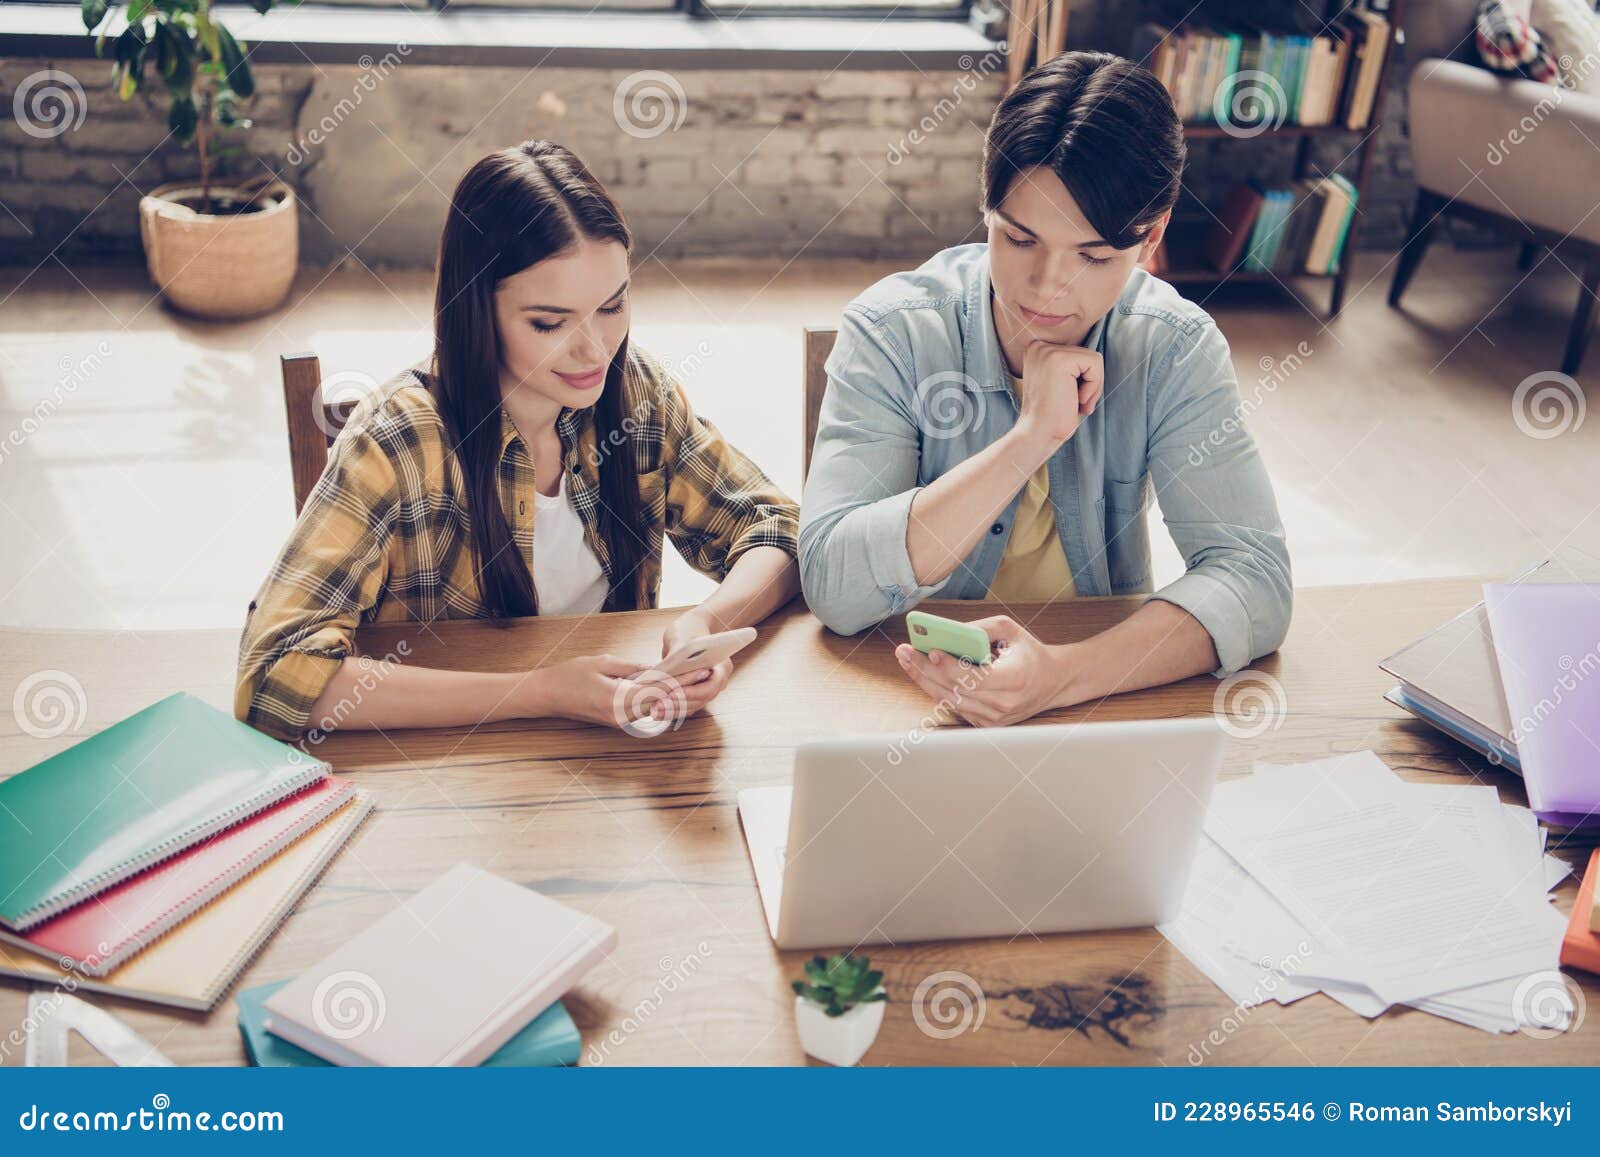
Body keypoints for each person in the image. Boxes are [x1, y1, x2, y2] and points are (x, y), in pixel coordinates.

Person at [236, 141, 800, 742]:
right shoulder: (397, 441)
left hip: (611, 757)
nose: (594, 350)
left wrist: (709, 621)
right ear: (477, 308)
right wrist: (539, 691)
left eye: (612, 307)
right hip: (448, 777)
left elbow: (778, 528)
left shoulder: (637, 396)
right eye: (550, 323)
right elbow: (273, 676)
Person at [799, 52, 1292, 727]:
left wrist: (1060, 677)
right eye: (1019, 237)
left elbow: (1256, 581)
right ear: (987, 209)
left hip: (1095, 704)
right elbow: (834, 585)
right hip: (901, 702)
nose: (1047, 285)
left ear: (1151, 239)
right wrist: (1029, 441)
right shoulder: (893, 331)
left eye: (1092, 256)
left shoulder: (1173, 346)